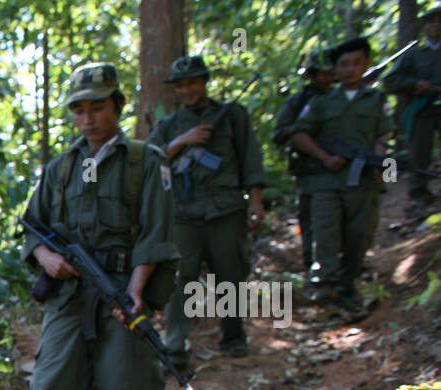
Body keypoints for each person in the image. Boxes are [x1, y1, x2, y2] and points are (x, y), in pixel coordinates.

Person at [10, 62, 179, 390]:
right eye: (80, 109)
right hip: (67, 298)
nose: (88, 118)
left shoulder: (146, 161)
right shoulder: (59, 168)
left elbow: (156, 233)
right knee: (52, 388)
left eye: (98, 107)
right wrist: (44, 256)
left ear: (117, 106)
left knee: (127, 388)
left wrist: (135, 293)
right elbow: (31, 227)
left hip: (123, 289)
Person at [148, 55, 267, 370]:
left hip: (226, 210)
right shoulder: (168, 126)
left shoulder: (232, 117)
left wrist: (256, 201)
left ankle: (233, 336)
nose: (187, 90)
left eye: (193, 82)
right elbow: (151, 163)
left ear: (205, 81)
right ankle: (175, 347)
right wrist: (183, 141)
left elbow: (250, 160)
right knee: (180, 279)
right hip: (184, 214)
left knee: (230, 275)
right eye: (181, 85)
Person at [291, 37, 395, 313]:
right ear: (335, 68)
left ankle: (347, 286)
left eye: (356, 63)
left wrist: (382, 165)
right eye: (344, 64)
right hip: (326, 180)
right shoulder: (322, 102)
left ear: (367, 64)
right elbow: (299, 134)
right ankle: (326, 285)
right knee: (325, 231)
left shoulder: (377, 99)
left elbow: (385, 134)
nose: (350, 69)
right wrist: (325, 157)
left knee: (359, 233)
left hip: (362, 182)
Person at [274, 50, 338, 270]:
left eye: (331, 74)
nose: (328, 79)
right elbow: (279, 135)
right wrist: (304, 128)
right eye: (323, 74)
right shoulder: (297, 102)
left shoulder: (339, 99)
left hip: (340, 168)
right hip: (310, 170)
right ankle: (313, 263)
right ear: (312, 75)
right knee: (311, 218)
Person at [383, 5, 441, 210]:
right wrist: (416, 85)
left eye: (438, 21)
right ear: (424, 27)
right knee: (419, 153)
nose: (435, 25)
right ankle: (419, 195)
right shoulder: (413, 54)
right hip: (421, 110)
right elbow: (390, 81)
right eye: (430, 22)